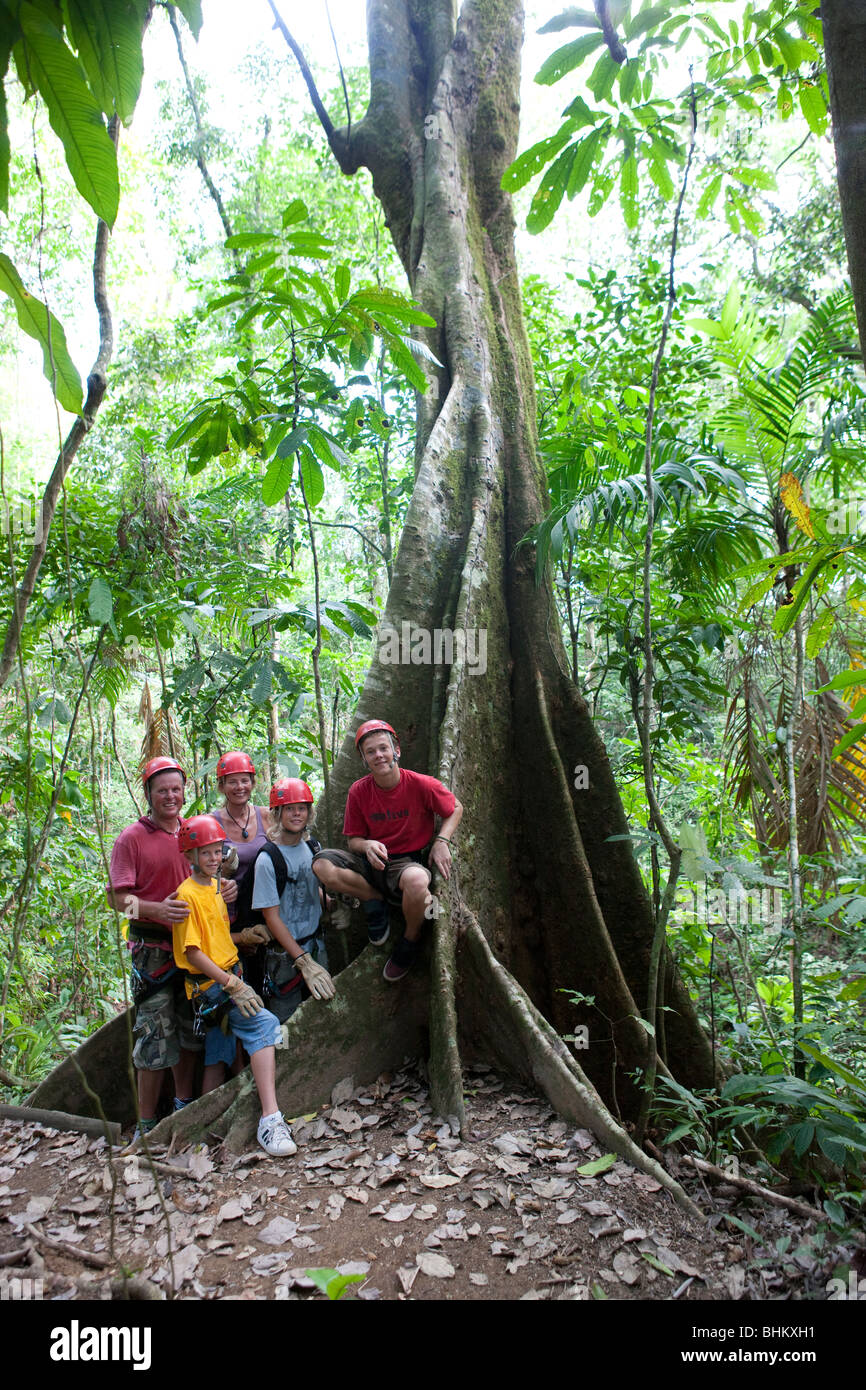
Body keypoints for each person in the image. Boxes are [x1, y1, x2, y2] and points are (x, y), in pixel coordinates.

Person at [172, 813, 297, 1157]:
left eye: (217, 852)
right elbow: (194, 952)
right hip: (211, 986)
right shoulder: (187, 896)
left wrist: (242, 937)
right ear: (189, 856)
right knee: (265, 1025)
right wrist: (231, 985)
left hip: (229, 976)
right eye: (205, 853)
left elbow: (215, 937)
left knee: (220, 1052)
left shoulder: (214, 888)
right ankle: (270, 1119)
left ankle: (203, 1122)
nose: (214, 859)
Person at [107, 757, 219, 1135]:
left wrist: (225, 886)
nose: (171, 796)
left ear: (184, 791)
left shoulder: (193, 831)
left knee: (190, 1029)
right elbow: (118, 900)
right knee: (154, 1036)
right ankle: (146, 1123)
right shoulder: (132, 838)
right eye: (162, 790)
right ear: (149, 794)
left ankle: (184, 1105)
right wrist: (156, 908)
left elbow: (215, 870)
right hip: (152, 950)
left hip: (194, 949)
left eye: (176, 789)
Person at [312, 720, 463, 981]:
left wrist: (441, 841)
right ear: (363, 758)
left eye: (384, 748)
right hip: (370, 863)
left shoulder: (421, 784)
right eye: (371, 751)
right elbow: (353, 840)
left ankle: (410, 939)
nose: (379, 755)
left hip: (405, 863)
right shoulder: (359, 791)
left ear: (397, 751)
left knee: (418, 881)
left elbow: (456, 808)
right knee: (321, 865)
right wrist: (367, 845)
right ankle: (374, 900)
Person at [251, 780, 337, 1020]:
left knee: (323, 1012)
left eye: (301, 808)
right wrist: (302, 961)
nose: (296, 813)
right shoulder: (268, 860)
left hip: (316, 944)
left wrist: (331, 904)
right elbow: (271, 917)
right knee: (286, 1019)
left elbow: (310, 888)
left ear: (309, 812)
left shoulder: (313, 847)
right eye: (289, 808)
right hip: (284, 957)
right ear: (277, 814)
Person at [210, 751, 270, 991]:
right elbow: (199, 873)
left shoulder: (267, 816)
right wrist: (220, 879)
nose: (239, 787)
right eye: (232, 781)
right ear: (222, 786)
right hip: (230, 914)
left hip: (265, 910)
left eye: (244, 780)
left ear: (253, 783)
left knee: (264, 978)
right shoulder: (212, 823)